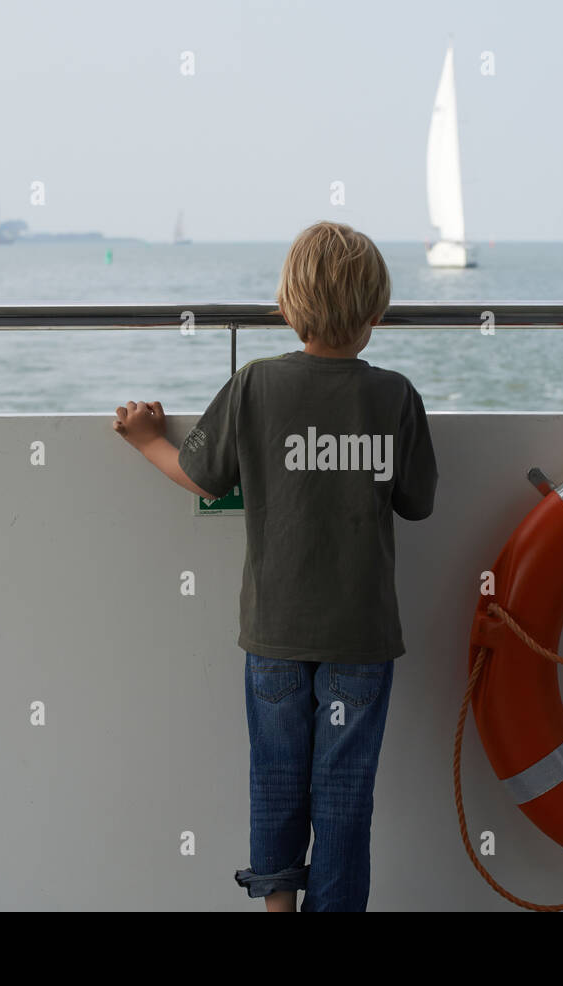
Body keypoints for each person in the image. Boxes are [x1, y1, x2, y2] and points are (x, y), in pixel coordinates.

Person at [114, 220, 437, 911]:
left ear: (288, 307)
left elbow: (202, 474)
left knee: (276, 783)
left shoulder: (255, 385)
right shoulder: (396, 397)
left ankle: (276, 909)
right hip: (361, 639)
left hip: (274, 635)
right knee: (344, 800)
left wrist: (146, 440)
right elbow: (418, 501)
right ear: (376, 313)